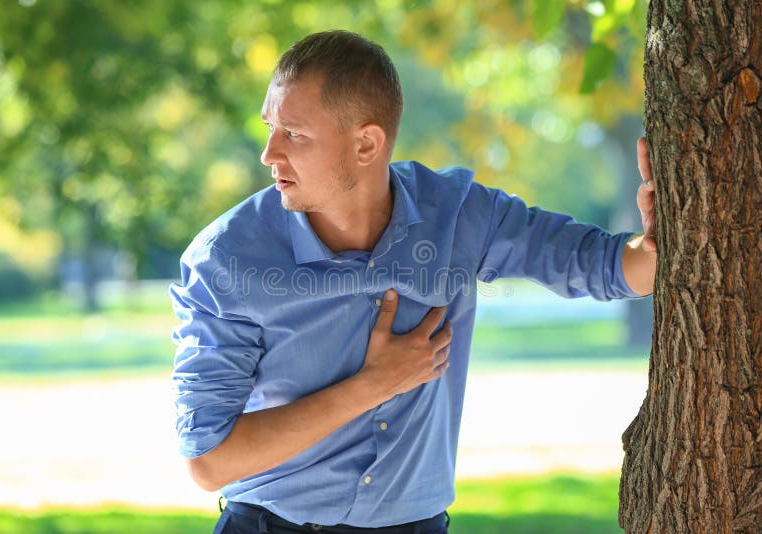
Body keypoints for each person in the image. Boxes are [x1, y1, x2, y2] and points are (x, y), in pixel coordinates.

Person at [170, 30, 657, 534]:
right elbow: (209, 461)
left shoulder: (457, 214)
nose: (269, 153)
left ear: (366, 143)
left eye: (294, 134)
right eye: (270, 127)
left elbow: (604, 265)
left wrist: (654, 244)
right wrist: (373, 385)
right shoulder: (227, 260)